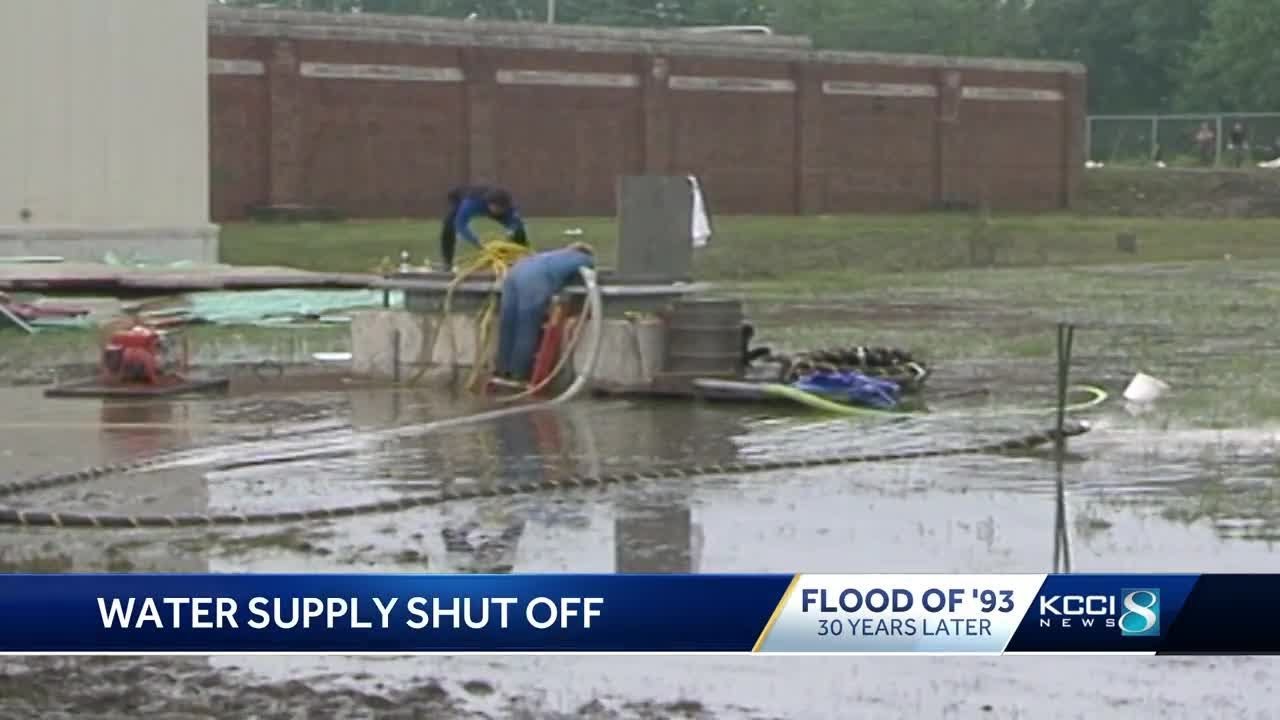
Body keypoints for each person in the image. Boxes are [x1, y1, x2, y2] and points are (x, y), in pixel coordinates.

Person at [494, 242, 595, 384]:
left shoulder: (550, 255)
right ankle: (518, 374)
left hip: (515, 273)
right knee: (526, 328)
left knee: (508, 326)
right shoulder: (584, 259)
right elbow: (585, 280)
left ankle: (501, 370)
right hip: (534, 281)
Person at [438, 185, 528, 271]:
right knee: (449, 224)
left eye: (503, 209)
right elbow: (460, 224)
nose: (501, 212)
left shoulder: (508, 209)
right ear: (490, 204)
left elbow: (517, 226)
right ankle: (447, 263)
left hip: (489, 198)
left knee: (518, 230)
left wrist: (512, 238)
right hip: (463, 196)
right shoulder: (473, 203)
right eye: (498, 209)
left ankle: (522, 261)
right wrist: (477, 243)